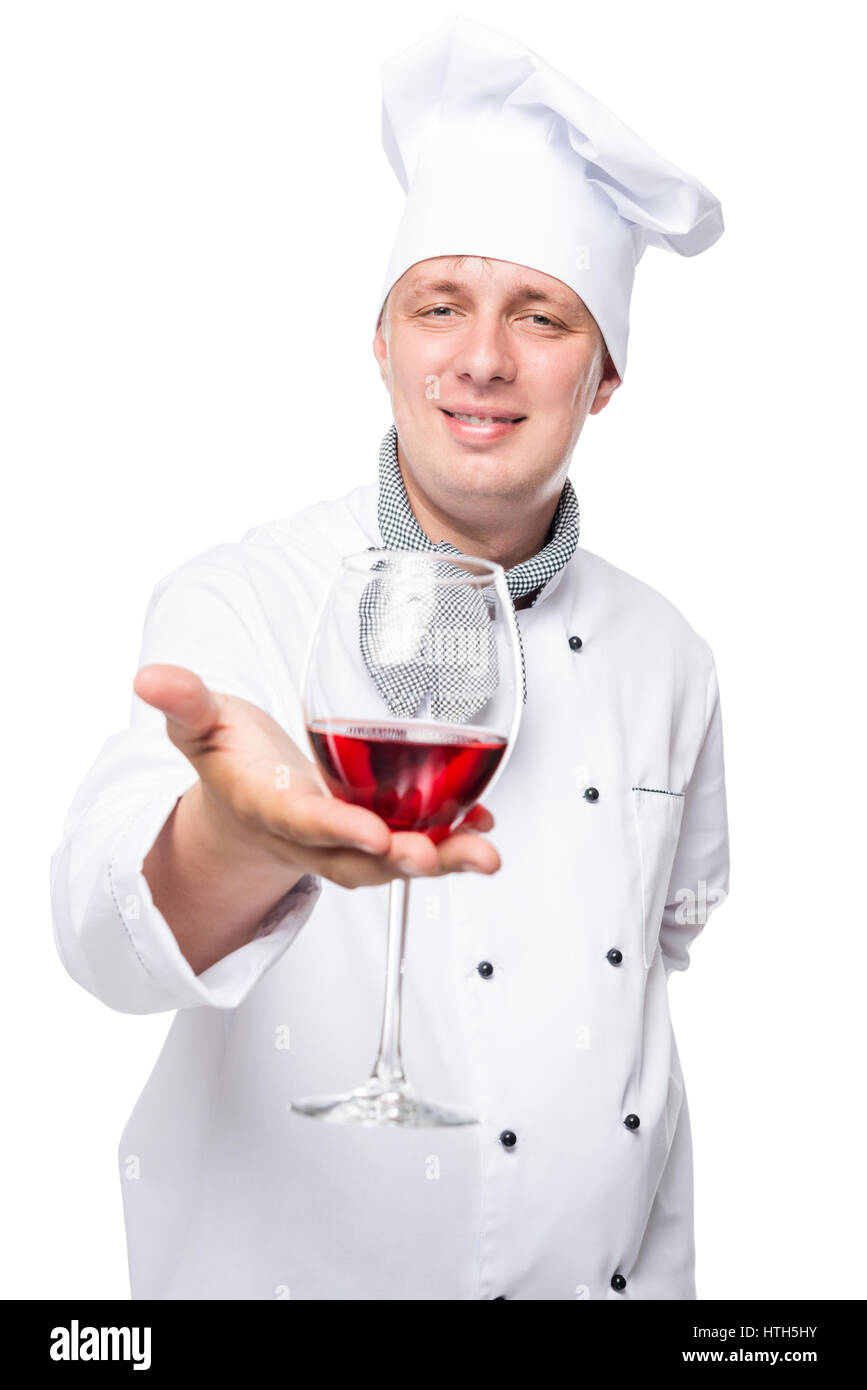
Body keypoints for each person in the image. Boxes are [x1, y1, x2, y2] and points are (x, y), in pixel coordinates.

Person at [50, 15, 730, 1300]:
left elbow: (641, 1013)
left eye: (542, 315)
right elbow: (99, 931)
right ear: (382, 343)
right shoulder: (248, 598)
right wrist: (237, 840)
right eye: (440, 305)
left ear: (608, 379)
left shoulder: (670, 658)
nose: (482, 357)